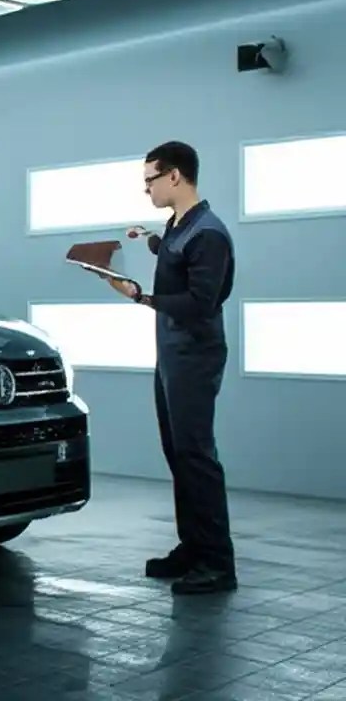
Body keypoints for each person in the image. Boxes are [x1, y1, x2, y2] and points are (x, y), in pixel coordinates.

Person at [109, 140, 238, 595]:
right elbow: (172, 252)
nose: (146, 188)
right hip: (171, 356)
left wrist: (140, 296)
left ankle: (218, 564)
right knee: (178, 453)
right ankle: (194, 548)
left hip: (194, 357)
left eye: (150, 179)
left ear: (175, 176)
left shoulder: (209, 234)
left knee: (197, 455)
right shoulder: (179, 225)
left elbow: (200, 301)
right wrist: (147, 239)